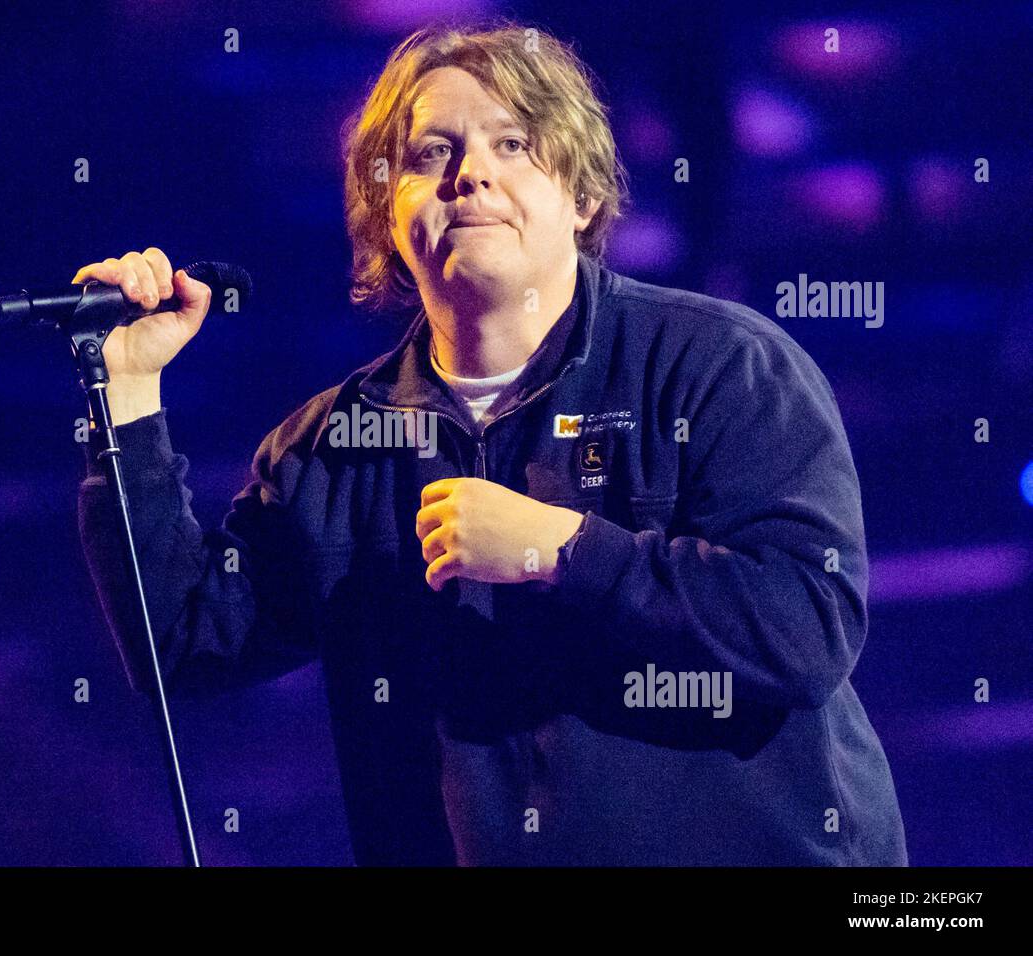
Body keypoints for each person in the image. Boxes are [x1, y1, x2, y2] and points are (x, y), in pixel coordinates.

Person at [75, 21, 908, 866]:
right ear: (386, 212)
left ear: (582, 197)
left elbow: (809, 627)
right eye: (432, 152)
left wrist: (564, 551)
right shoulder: (332, 450)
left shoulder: (716, 366)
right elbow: (182, 641)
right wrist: (130, 398)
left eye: (512, 143)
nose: (469, 173)